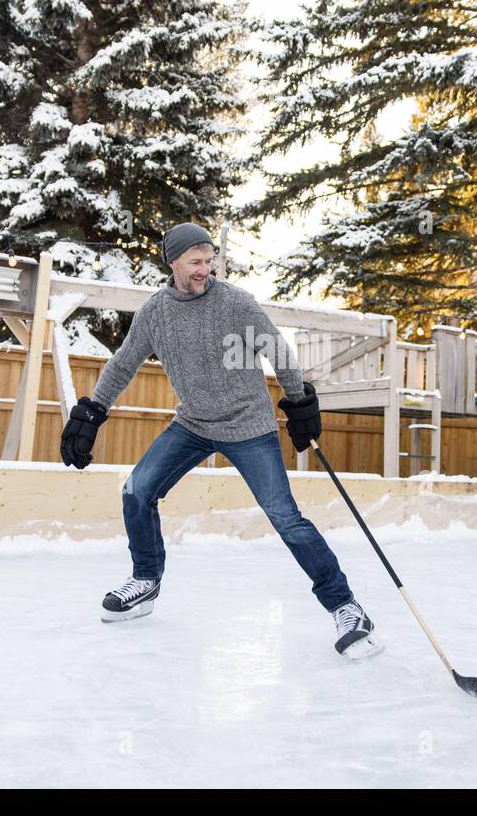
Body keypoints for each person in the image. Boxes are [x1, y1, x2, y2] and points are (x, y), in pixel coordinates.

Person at [60, 222, 381, 659]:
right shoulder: (155, 313)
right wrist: (93, 412)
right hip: (193, 423)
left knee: (285, 518)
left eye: (209, 261)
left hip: (249, 426)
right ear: (172, 262)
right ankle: (146, 581)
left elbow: (278, 351)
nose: (204, 270)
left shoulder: (235, 303)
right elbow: (123, 364)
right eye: (195, 262)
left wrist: (299, 400)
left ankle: (346, 607)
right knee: (137, 491)